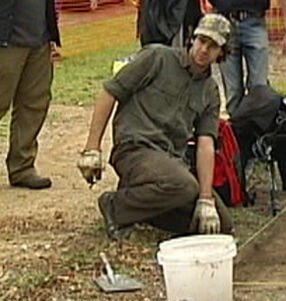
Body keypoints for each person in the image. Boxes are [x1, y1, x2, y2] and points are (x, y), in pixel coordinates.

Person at [76, 14, 235, 240]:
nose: (203, 50)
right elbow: (110, 91)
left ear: (221, 52)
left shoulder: (209, 91)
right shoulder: (157, 57)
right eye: (201, 41)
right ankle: (115, 206)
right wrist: (92, 148)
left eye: (213, 46)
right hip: (134, 148)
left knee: (220, 224)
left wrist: (206, 199)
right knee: (184, 186)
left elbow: (205, 144)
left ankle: (142, 204)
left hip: (171, 161)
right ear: (192, 39)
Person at [0, 0, 64, 190]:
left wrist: (51, 33)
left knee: (34, 103)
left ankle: (22, 167)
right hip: (5, 41)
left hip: (38, 40)